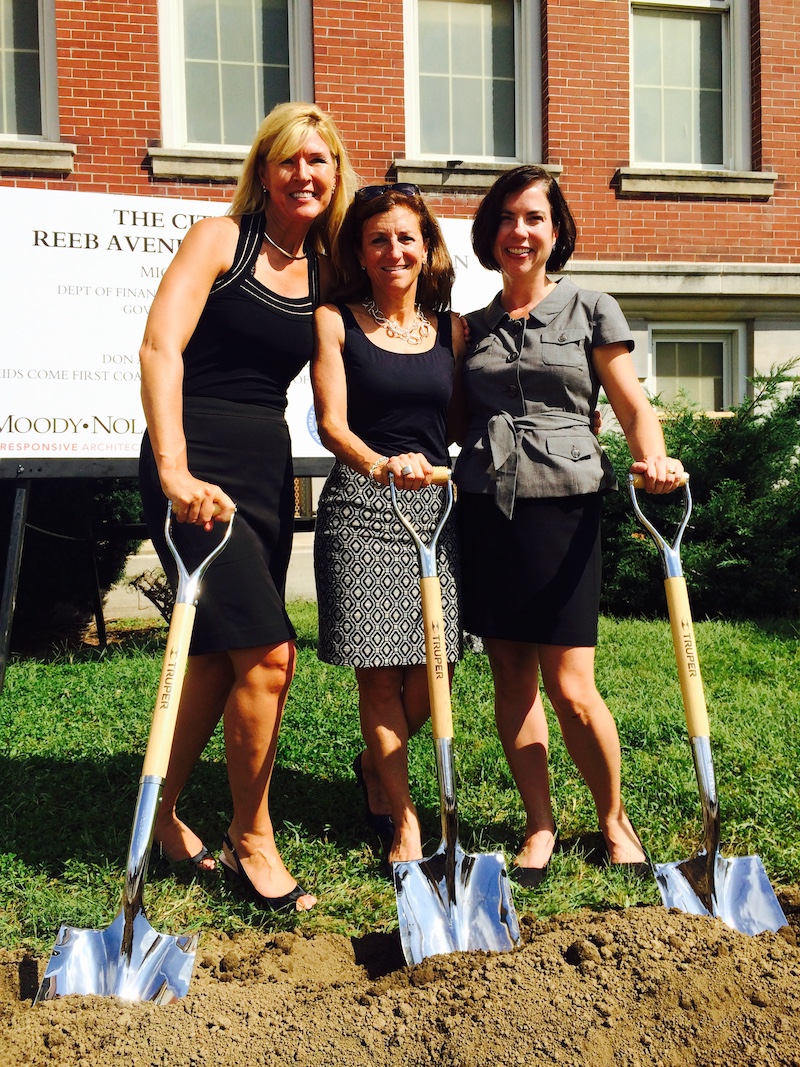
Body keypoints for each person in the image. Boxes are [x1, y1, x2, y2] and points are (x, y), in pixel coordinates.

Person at [137, 102, 356, 911]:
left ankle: (158, 812)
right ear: (263, 171)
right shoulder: (219, 241)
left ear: (335, 178)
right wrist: (174, 468)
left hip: (265, 470)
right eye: (290, 160)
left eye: (320, 162)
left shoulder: (327, 271)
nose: (306, 174)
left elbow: (394, 307)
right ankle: (251, 837)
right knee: (269, 652)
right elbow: (161, 347)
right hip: (198, 462)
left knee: (217, 655)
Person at [454, 165, 684, 885]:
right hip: (488, 508)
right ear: (490, 234)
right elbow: (456, 421)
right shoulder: (470, 328)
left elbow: (630, 403)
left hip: (565, 505)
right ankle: (539, 823)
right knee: (512, 677)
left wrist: (654, 459)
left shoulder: (590, 307)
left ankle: (614, 819)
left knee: (572, 683)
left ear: (556, 232)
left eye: (534, 218)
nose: (519, 231)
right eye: (507, 219)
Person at [311, 184, 466, 865]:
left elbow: (462, 424)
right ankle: (403, 817)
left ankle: (377, 766)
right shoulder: (336, 320)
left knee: (437, 669)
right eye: (378, 239)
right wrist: (381, 464)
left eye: (406, 237)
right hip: (362, 505)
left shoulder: (453, 329)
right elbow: (331, 423)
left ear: (426, 246)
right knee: (378, 674)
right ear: (361, 253)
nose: (394, 250)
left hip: (435, 506)